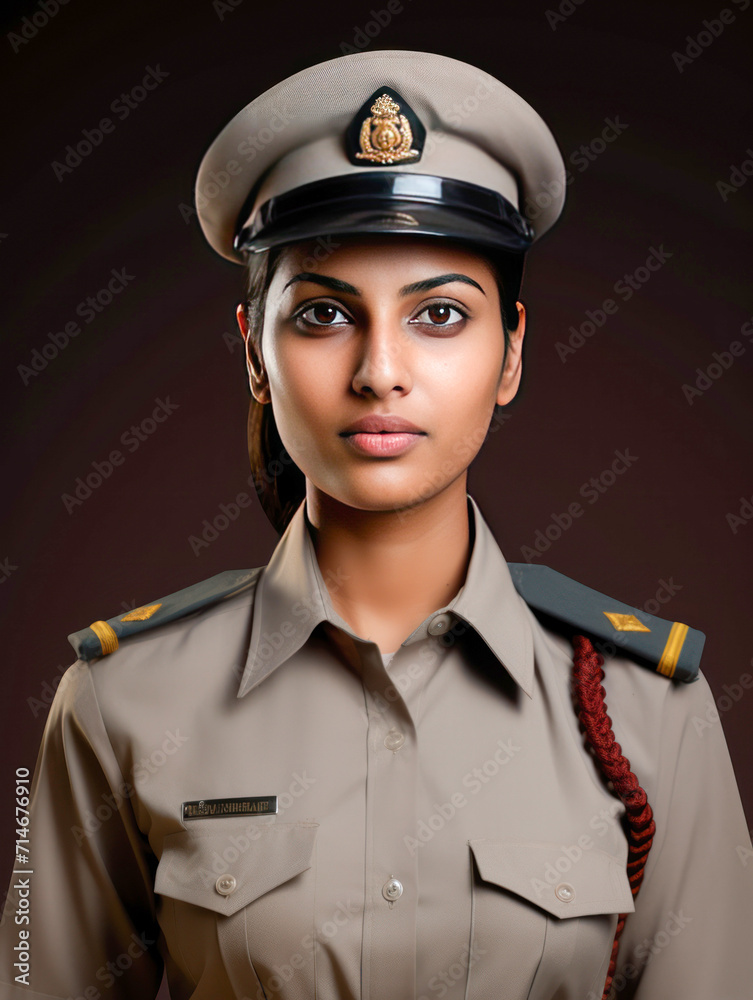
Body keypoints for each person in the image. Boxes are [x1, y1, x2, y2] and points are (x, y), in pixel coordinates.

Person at [1, 49, 751, 1000]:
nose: (380, 371)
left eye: (439, 314)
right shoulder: (117, 704)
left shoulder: (651, 712)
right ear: (254, 357)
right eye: (322, 315)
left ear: (510, 352)